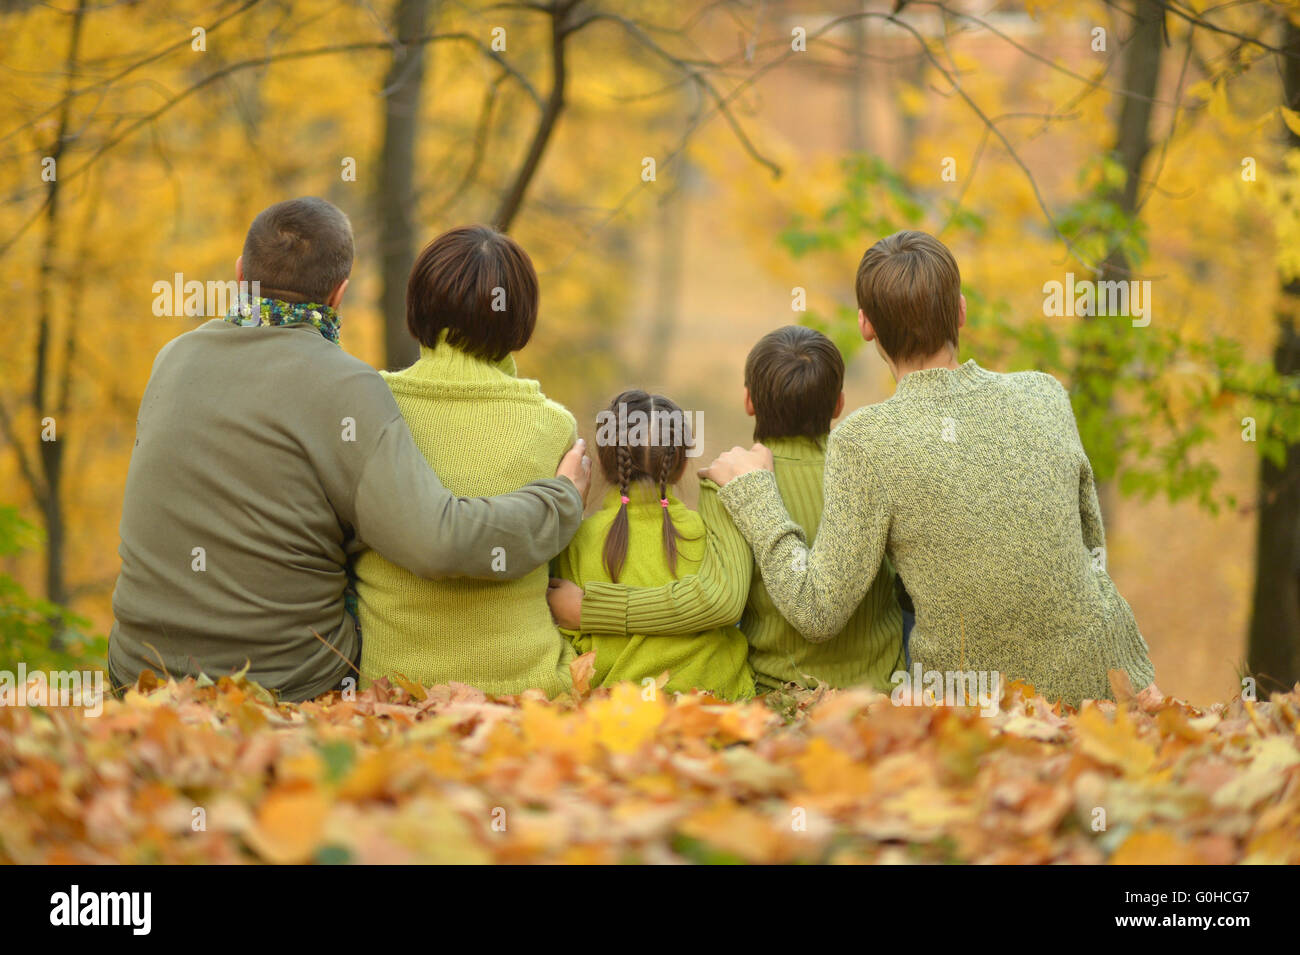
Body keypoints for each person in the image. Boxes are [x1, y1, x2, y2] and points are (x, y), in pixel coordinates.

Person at [108, 198, 590, 702]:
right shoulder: (346, 387)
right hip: (283, 682)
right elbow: (439, 541)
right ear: (339, 294)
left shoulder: (172, 359)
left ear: (238, 275)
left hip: (138, 670)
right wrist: (561, 499)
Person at [700, 230, 1159, 708]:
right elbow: (1090, 545)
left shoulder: (867, 439)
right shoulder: (1046, 394)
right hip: (1103, 683)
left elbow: (818, 610)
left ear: (866, 326)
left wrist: (755, 493)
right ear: (960, 310)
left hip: (979, 710)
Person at [355, 226, 583, 697]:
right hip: (530, 692)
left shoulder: (371, 407)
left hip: (393, 693)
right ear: (521, 317)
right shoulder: (554, 426)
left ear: (417, 305)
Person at [553, 390, 755, 700]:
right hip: (716, 700)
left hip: (620, 706)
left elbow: (569, 637)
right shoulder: (709, 532)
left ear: (604, 460)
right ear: (682, 463)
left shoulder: (575, 541)